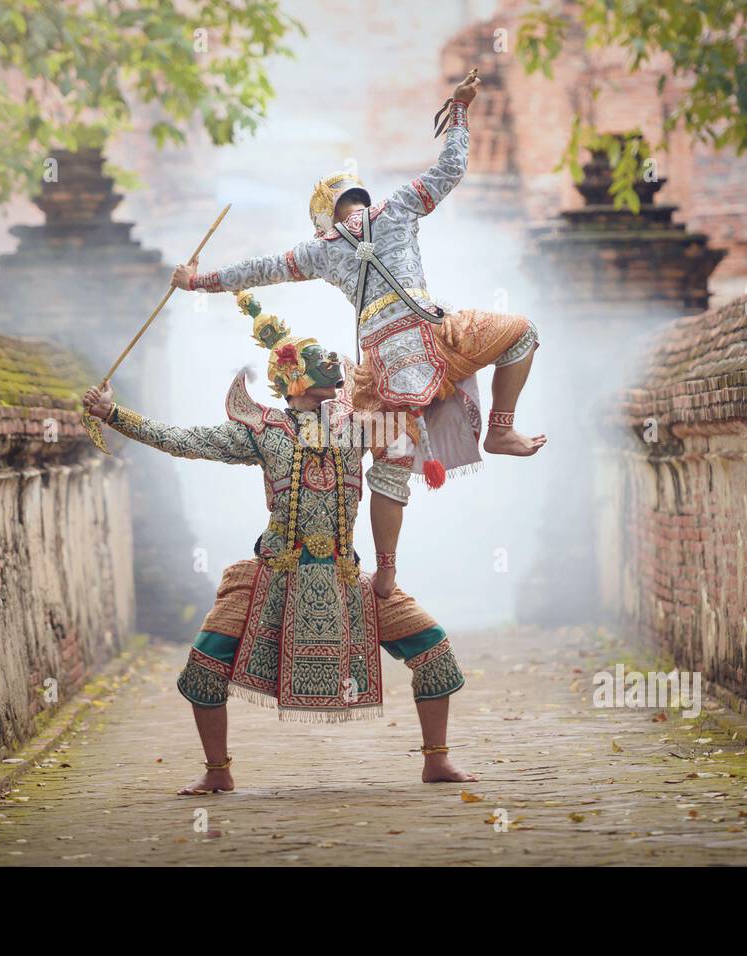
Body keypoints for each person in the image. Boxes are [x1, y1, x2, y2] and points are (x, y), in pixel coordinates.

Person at [169, 70, 544, 601]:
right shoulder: (398, 205)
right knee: (522, 334)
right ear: (360, 198)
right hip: (439, 336)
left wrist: (197, 282)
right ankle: (501, 429)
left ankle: (387, 570)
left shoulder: (319, 250)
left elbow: (258, 270)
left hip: (385, 368)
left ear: (325, 220)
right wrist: (458, 110)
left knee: (390, 468)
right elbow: (452, 167)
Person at [82, 291, 475, 794]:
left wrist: (419, 375)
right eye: (325, 363)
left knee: (434, 650)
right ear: (294, 378)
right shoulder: (262, 431)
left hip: (345, 576)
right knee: (203, 669)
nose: (338, 368)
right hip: (272, 575)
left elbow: (405, 426)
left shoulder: (357, 425)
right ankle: (218, 771)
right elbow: (185, 440)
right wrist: (115, 414)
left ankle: (436, 760)